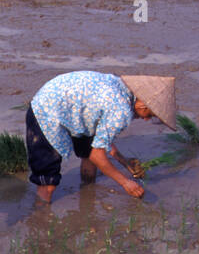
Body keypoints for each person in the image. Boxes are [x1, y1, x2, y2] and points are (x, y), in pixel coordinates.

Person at [26, 72, 176, 202]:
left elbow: (102, 141)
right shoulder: (121, 110)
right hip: (46, 112)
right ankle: (41, 214)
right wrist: (125, 183)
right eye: (149, 115)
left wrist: (125, 162)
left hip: (71, 108)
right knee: (48, 182)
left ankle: (87, 197)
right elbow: (98, 154)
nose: (146, 119)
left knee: (88, 156)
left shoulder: (121, 87)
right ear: (143, 105)